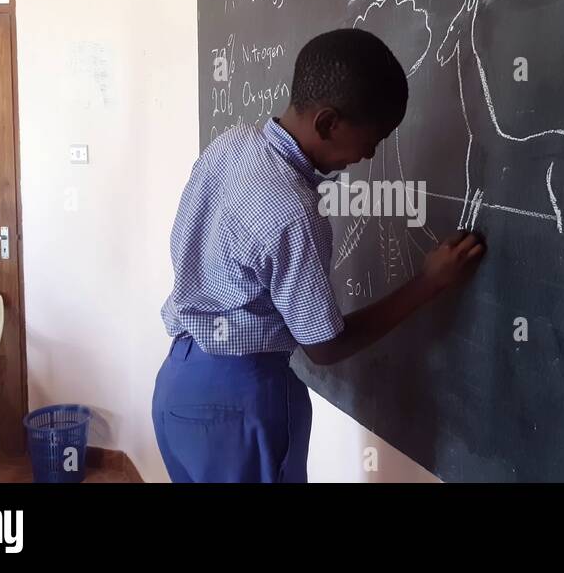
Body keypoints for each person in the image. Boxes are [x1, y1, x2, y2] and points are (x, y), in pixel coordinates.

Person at [154, 28, 485, 483]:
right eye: (373, 138)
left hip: (179, 384)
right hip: (241, 405)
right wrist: (428, 283)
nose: (370, 154)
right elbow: (325, 346)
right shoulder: (292, 211)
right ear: (329, 123)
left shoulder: (231, 144)